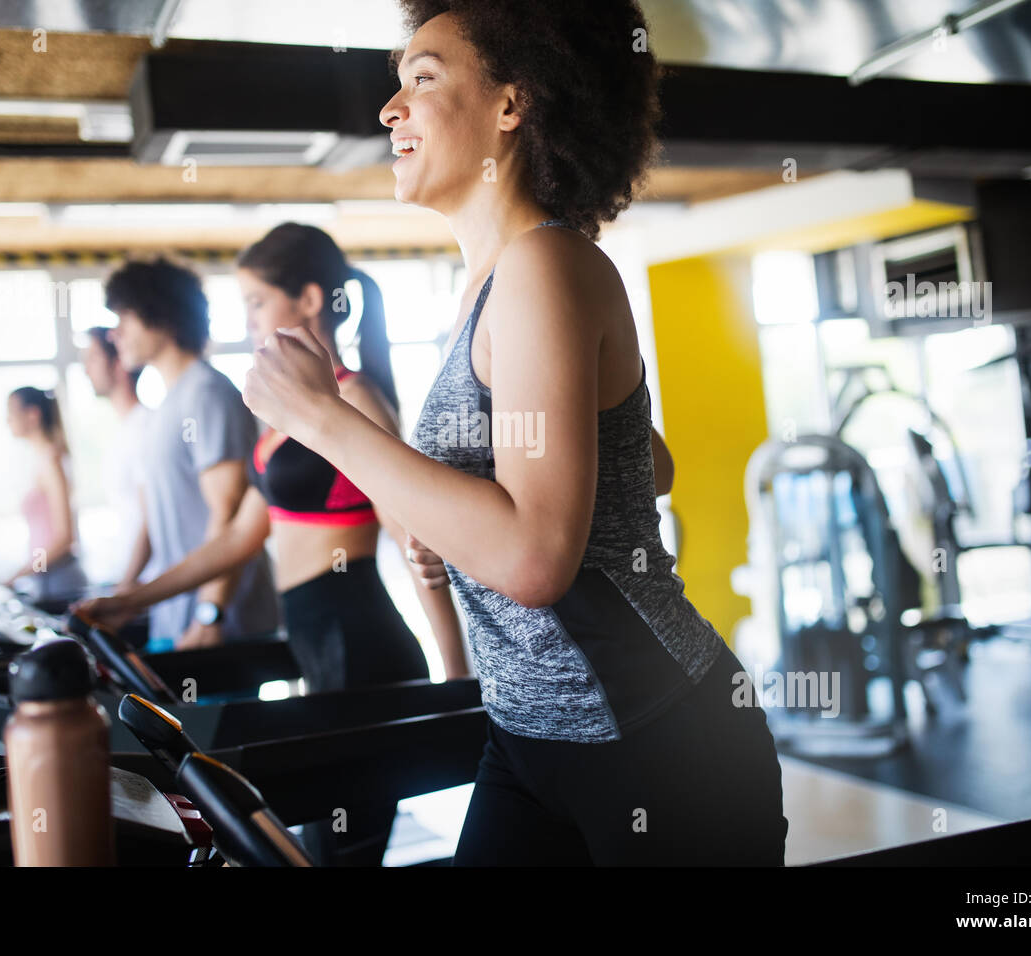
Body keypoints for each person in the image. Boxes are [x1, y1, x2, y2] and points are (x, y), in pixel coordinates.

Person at [239, 0, 789, 865]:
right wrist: (463, 525)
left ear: (511, 104)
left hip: (657, 742)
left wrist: (322, 419)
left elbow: (535, 560)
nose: (390, 110)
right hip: (532, 732)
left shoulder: (543, 263)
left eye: (422, 79)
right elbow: (647, 462)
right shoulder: (491, 288)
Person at [76, 225, 470, 866]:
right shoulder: (292, 412)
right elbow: (238, 537)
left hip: (362, 644)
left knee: (335, 854)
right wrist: (126, 601)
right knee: (311, 849)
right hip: (320, 644)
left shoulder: (353, 396)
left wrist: (457, 675)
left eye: (258, 301)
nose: (249, 318)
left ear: (310, 300)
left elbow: (411, 533)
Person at [95, 256, 281, 650]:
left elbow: (227, 514)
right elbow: (154, 514)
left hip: (220, 626)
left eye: (124, 319)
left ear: (159, 316)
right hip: (174, 617)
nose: (115, 335)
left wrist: (208, 613)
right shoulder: (167, 403)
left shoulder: (207, 393)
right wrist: (126, 596)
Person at [81, 326, 154, 588]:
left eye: (93, 358)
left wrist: (126, 586)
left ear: (119, 361)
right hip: (135, 582)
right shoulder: (124, 430)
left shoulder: (145, 427)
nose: (85, 369)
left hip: (146, 584)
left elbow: (151, 518)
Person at [3, 387, 88, 604]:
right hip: (47, 579)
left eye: (11, 412)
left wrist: (21, 573)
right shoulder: (40, 459)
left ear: (32, 414)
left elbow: (65, 537)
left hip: (60, 582)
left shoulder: (51, 460)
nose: (7, 420)